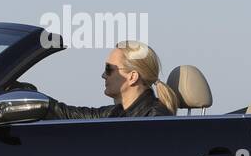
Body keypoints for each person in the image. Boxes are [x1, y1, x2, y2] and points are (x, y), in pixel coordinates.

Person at [44, 40, 179, 118]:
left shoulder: (155, 119)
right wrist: (38, 101)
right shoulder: (116, 114)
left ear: (132, 77)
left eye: (109, 69)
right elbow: (68, 114)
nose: (103, 75)